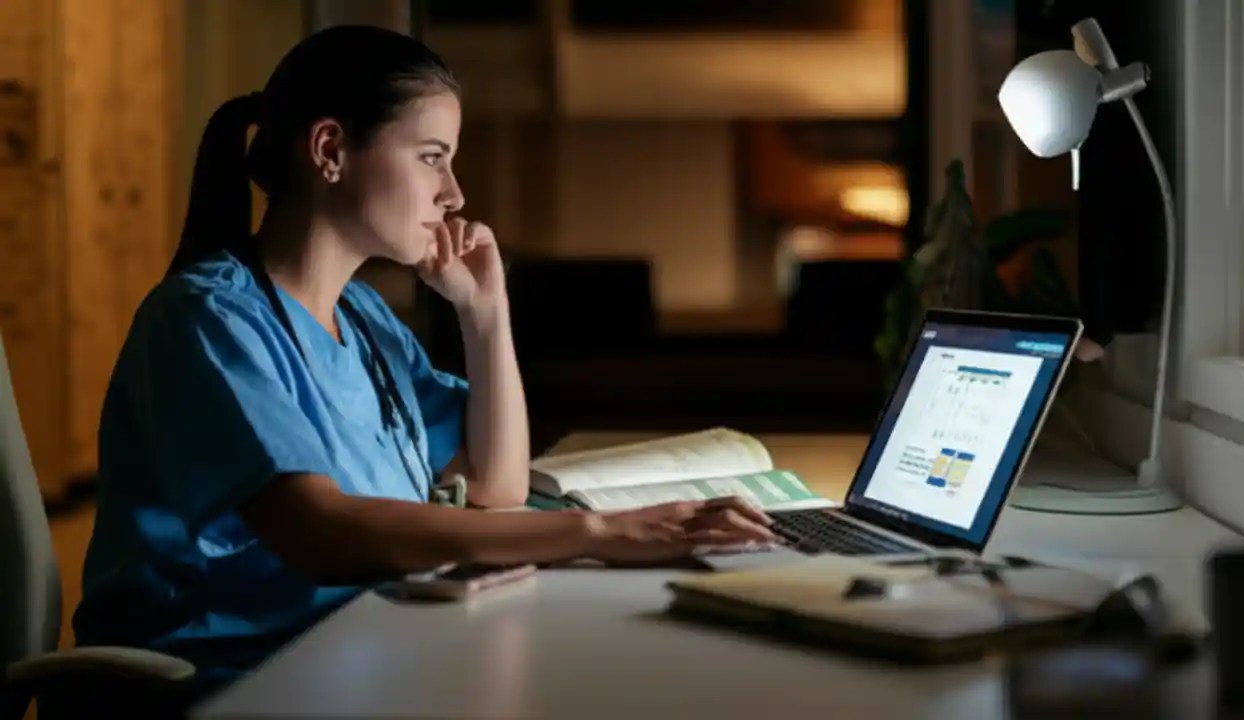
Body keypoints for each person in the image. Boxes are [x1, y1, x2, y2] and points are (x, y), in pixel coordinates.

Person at [71, 25, 775, 704]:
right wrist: (596, 532)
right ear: (329, 149)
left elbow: (494, 486)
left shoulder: (365, 320)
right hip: (239, 685)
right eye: (432, 156)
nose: (454, 195)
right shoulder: (207, 320)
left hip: (360, 654)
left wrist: (486, 314)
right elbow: (321, 532)